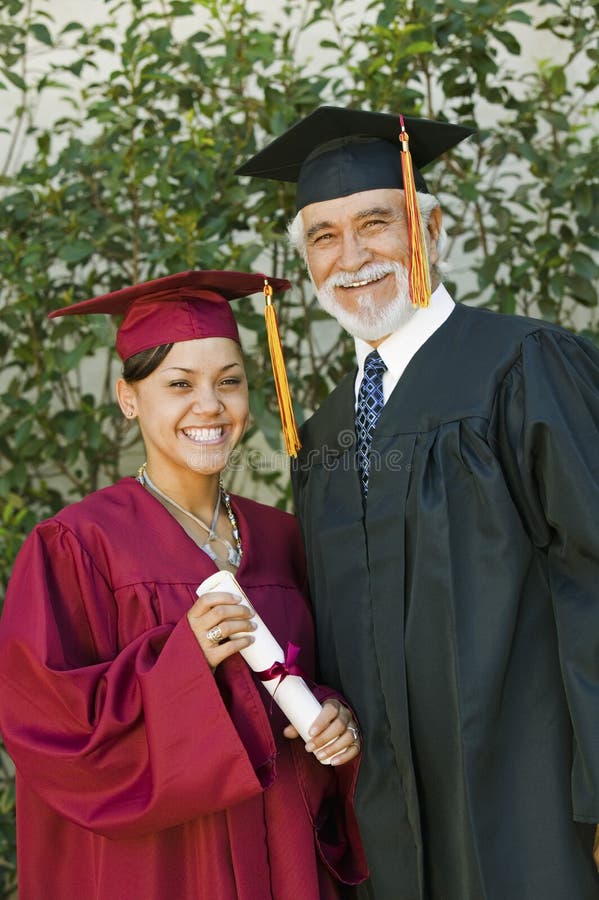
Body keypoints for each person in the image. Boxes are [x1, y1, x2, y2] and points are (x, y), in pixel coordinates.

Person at [236, 106, 599, 899]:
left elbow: (593, 570)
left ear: (428, 226)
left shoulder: (521, 364)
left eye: (375, 223)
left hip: (530, 794)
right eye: (324, 237)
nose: (351, 256)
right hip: (389, 813)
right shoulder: (328, 428)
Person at [0, 269, 368, 900]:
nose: (210, 406)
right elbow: (48, 726)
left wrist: (337, 716)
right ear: (128, 397)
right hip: (161, 867)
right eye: (179, 384)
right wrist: (182, 658)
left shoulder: (284, 539)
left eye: (229, 382)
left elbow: (335, 670)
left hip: (283, 851)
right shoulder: (77, 545)